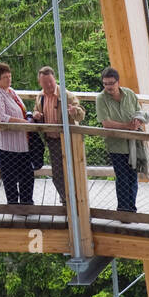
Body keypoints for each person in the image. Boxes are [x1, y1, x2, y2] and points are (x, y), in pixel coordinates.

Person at [94, 67, 147, 219]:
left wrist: (138, 120)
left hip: (133, 143)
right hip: (116, 145)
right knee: (122, 178)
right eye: (105, 84)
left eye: (111, 83)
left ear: (118, 82)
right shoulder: (101, 98)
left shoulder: (129, 94)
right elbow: (106, 123)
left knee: (133, 178)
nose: (108, 87)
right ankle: (123, 211)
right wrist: (127, 126)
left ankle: (132, 209)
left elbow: (139, 111)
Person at [31, 66, 85, 205]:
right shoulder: (40, 96)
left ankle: (76, 200)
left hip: (69, 139)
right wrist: (36, 115)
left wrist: (74, 112)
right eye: (45, 82)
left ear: (54, 79)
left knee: (73, 170)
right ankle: (66, 199)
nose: (48, 85)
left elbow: (81, 114)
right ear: (40, 82)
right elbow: (36, 110)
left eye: (50, 81)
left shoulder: (65, 95)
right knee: (57, 175)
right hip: (52, 140)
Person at [0, 62, 34, 210]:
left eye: (9, 76)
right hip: (6, 143)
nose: (8, 79)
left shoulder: (11, 91)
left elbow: (20, 109)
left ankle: (26, 203)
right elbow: (1, 117)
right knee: (10, 176)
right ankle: (13, 205)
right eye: (4, 77)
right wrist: (22, 122)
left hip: (21, 142)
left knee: (27, 174)